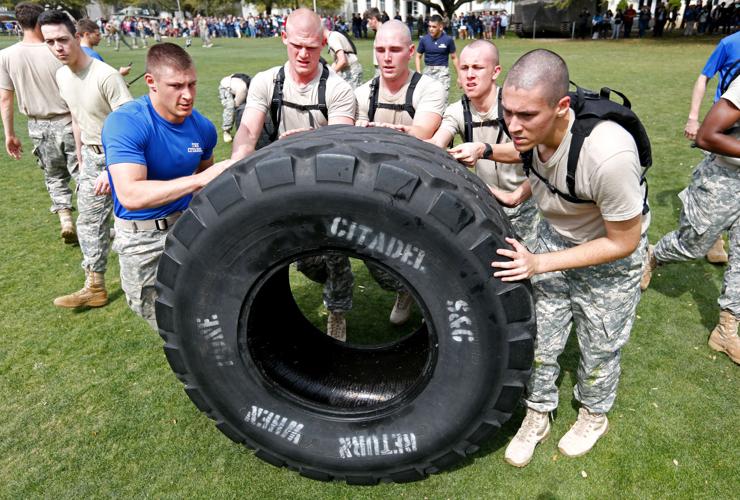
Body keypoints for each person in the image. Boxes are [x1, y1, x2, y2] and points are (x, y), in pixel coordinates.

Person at [494, 50, 649, 467]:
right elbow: (541, 160)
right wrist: (487, 155)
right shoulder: (533, 131)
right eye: (507, 112)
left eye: (525, 115)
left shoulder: (609, 155)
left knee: (599, 344)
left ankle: (593, 414)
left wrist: (540, 264)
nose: (513, 125)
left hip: (609, 256)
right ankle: (537, 413)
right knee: (540, 335)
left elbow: (625, 240)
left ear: (562, 107)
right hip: (554, 235)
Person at [230, 9, 356, 340]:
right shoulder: (265, 82)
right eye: (297, 45)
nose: (303, 54)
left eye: (312, 47)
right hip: (283, 184)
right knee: (302, 258)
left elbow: (340, 147)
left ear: (324, 43)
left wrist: (299, 142)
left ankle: (338, 310)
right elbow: (247, 132)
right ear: (284, 38)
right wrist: (237, 164)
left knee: (335, 252)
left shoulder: (338, 90)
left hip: (327, 184)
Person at [102, 43, 228, 329]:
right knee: (166, 322)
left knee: (210, 311)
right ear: (151, 82)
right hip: (142, 241)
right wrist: (197, 180)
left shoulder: (203, 128)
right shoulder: (127, 122)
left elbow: (205, 187)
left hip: (189, 229)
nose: (187, 95)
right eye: (176, 85)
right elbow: (130, 193)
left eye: (192, 84)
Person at [39, 10, 133, 309]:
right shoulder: (61, 75)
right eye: (50, 42)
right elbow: (77, 119)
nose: (58, 48)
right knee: (89, 222)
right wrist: (82, 160)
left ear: (77, 37)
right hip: (92, 159)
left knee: (137, 227)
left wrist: (112, 166)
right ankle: (95, 286)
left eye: (63, 40)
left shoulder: (106, 76)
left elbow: (130, 126)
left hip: (122, 158)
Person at [641, 78, 740, 365]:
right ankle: (653, 255)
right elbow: (706, 136)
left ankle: (726, 330)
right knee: (694, 245)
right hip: (723, 180)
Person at [355, 20, 446, 326]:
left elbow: (421, 133)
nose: (387, 57)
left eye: (395, 50)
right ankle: (404, 289)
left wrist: (375, 131)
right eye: (380, 50)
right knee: (377, 260)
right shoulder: (361, 93)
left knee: (428, 256)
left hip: (422, 186)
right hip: (376, 187)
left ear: (410, 52)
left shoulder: (429, 88)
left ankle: (436, 306)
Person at [429, 40, 538, 249]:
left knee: (527, 267)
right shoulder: (457, 110)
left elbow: (529, 150)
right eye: (464, 68)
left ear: (495, 72)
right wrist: (395, 137)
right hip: (485, 202)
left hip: (524, 204)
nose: (470, 75)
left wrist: (481, 149)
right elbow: (436, 142)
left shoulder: (514, 105)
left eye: (478, 68)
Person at [0, 3, 78, 244]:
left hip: (38, 126)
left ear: (18, 23)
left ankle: (65, 217)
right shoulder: (57, 49)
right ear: (40, 23)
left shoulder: (6, 55)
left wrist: (9, 134)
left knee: (54, 176)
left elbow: (5, 97)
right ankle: (88, 219)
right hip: (69, 120)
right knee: (81, 173)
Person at [683, 31, 740, 263]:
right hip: (721, 123)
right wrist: (693, 118)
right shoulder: (729, 43)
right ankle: (711, 236)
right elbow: (703, 77)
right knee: (714, 179)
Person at [415, 14, 458, 101]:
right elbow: (418, 56)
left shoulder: (448, 40)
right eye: (429, 26)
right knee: (427, 100)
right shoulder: (424, 40)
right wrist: (419, 72)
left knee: (442, 99)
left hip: (442, 72)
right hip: (427, 72)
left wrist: (460, 76)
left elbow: (454, 58)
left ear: (441, 27)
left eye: (434, 27)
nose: (431, 29)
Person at [218, 73, 249, 143]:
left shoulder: (256, 87)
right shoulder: (243, 89)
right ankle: (226, 131)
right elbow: (237, 105)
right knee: (231, 107)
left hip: (236, 83)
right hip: (226, 86)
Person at [365, 7, 384, 77]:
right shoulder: (379, 31)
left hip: (381, 68)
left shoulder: (382, 32)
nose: (368, 24)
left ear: (374, 19)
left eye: (368, 21)